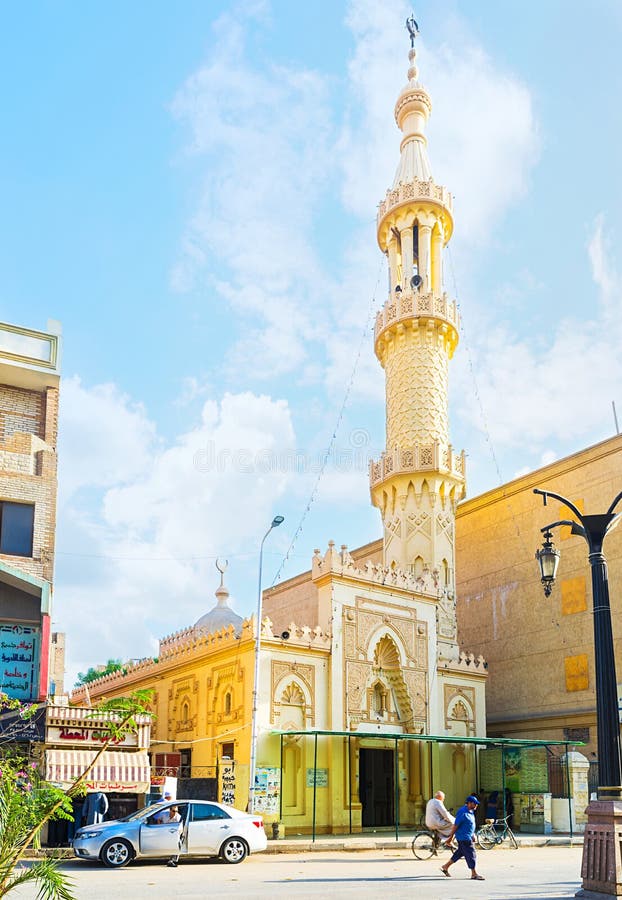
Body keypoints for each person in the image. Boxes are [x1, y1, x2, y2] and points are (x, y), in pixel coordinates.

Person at [440, 795, 484, 881]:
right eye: (475, 804)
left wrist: (472, 834)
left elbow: (469, 825)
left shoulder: (470, 811)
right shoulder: (462, 812)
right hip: (464, 838)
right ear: (470, 803)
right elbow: (456, 825)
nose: (476, 806)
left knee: (460, 853)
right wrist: (450, 838)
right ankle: (474, 873)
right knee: (471, 854)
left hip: (467, 836)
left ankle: (445, 867)